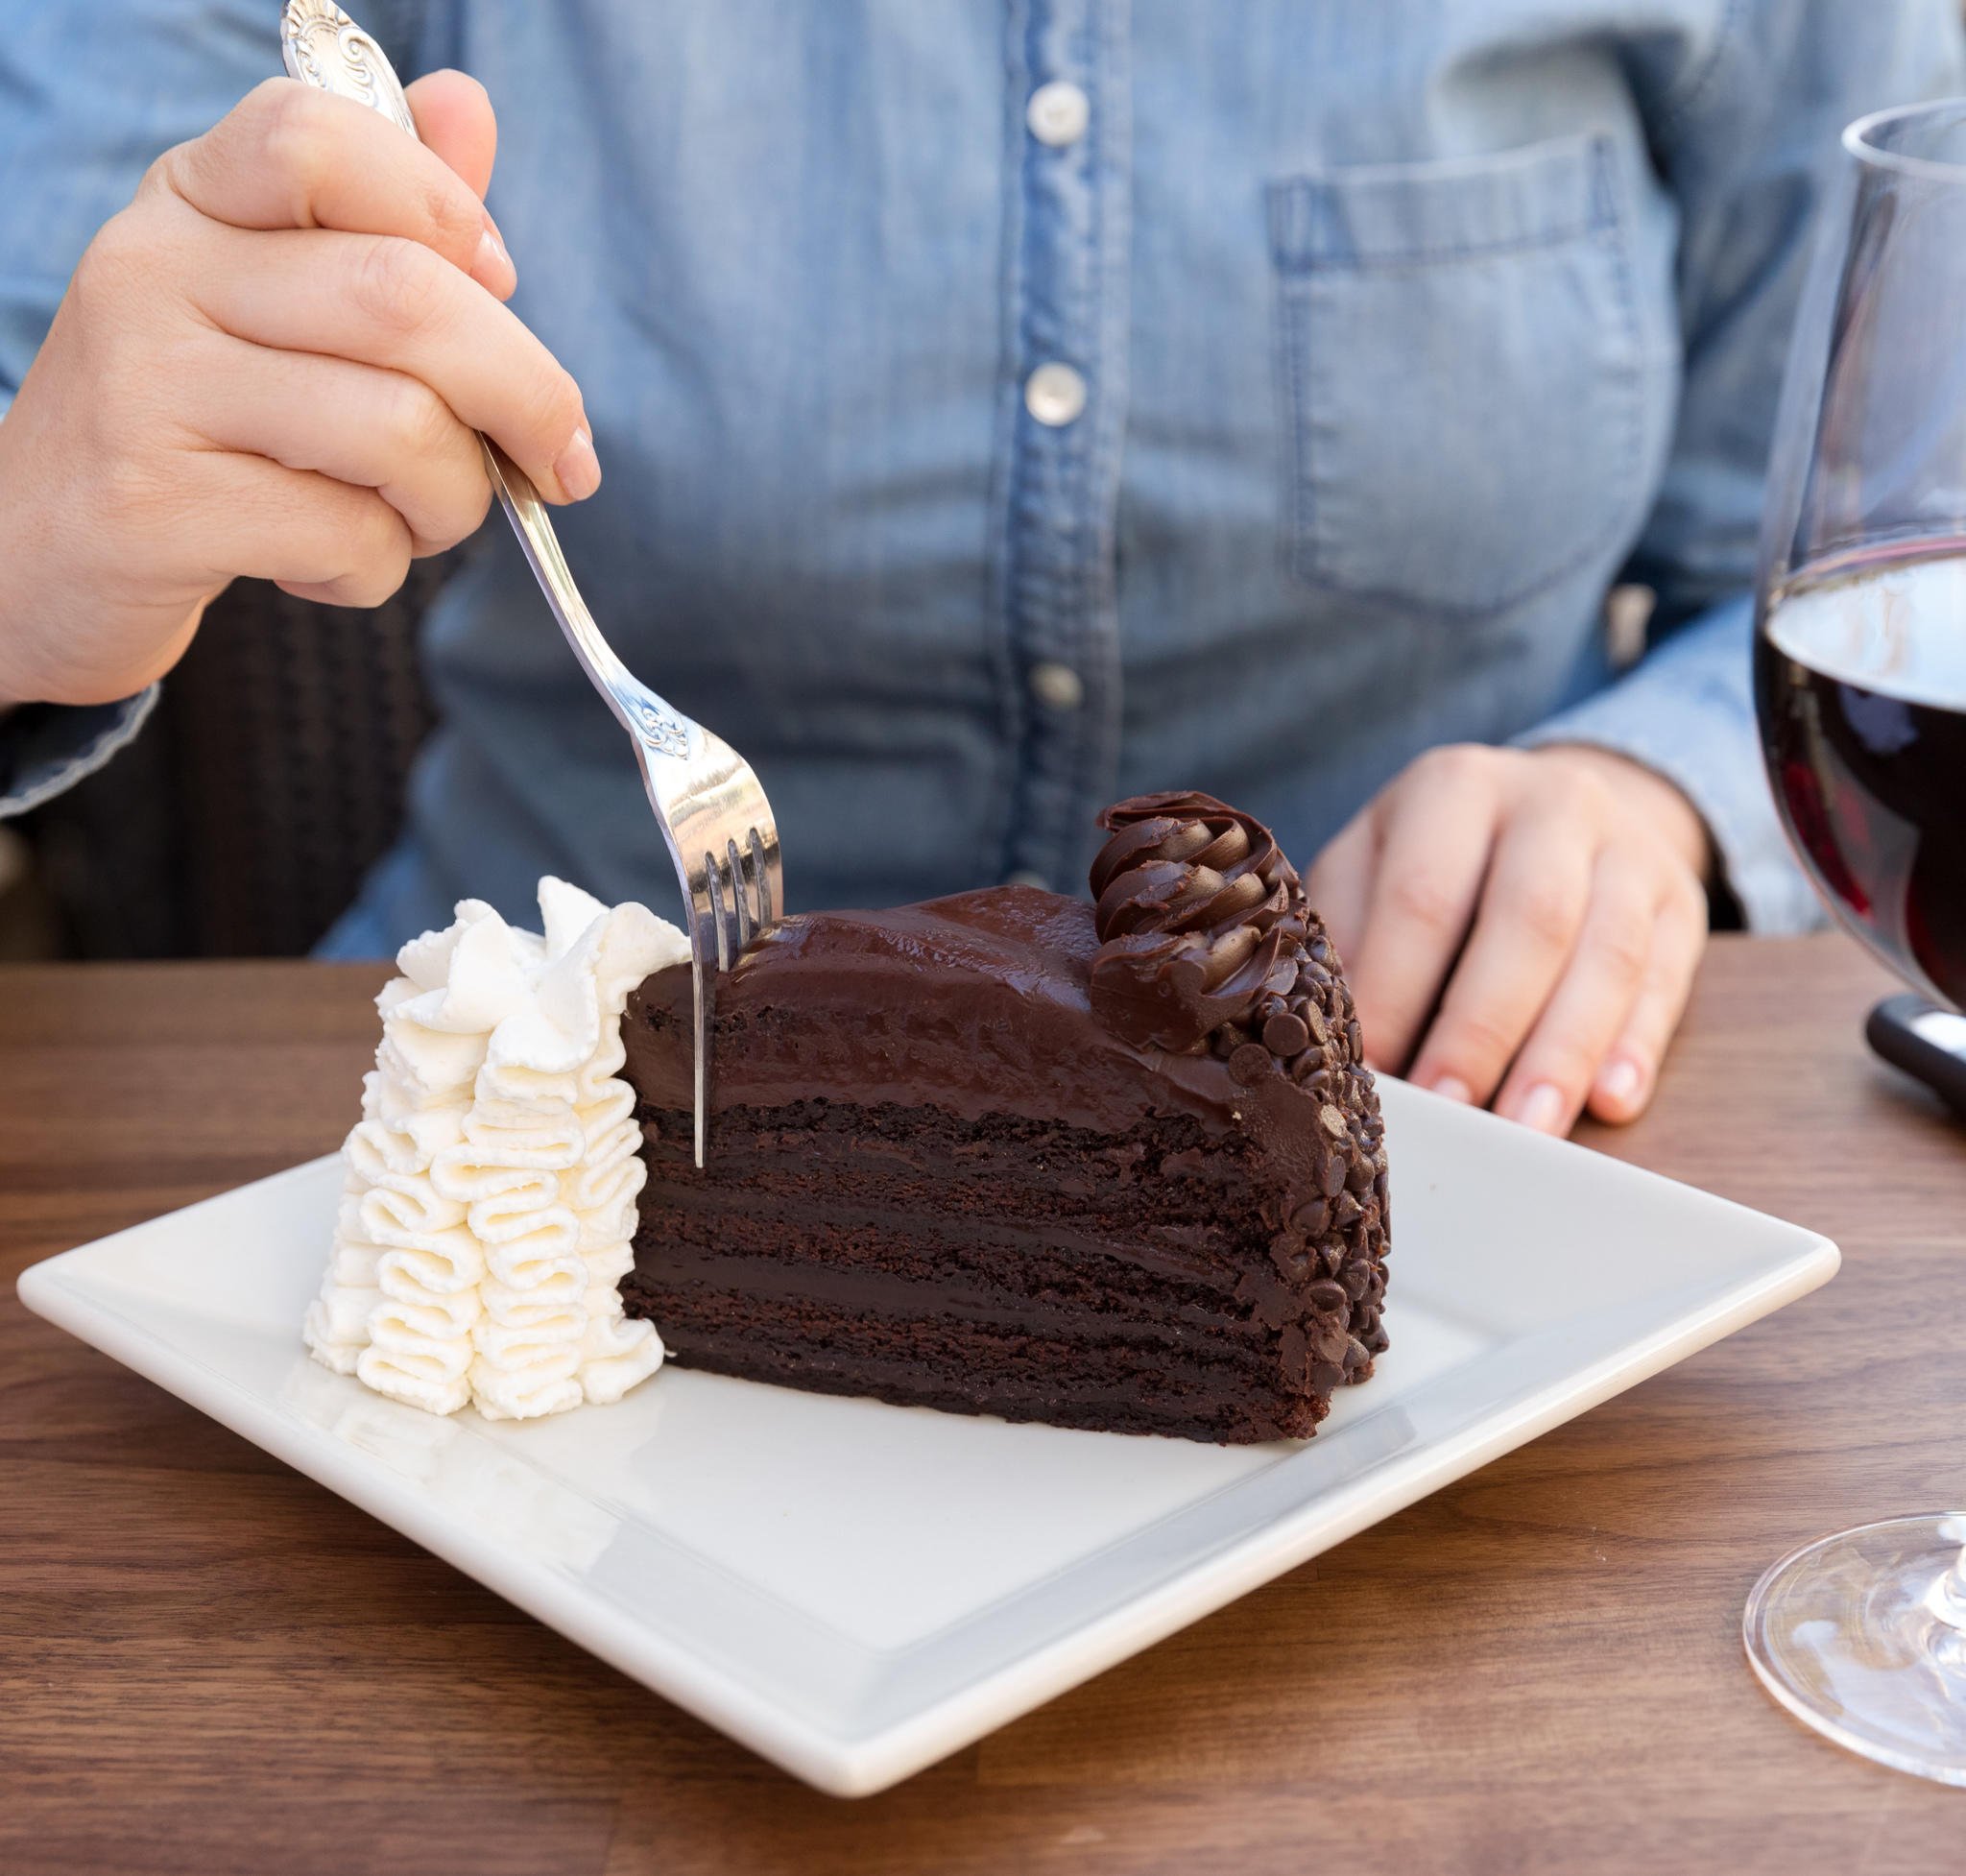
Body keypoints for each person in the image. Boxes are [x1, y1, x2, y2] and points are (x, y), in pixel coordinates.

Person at [1, 2, 1959, 1135]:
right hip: (521, 1110)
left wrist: (1655, 786)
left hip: (1438, 1123)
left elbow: (1892, 527)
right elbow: (44, 370)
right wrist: (35, 540)